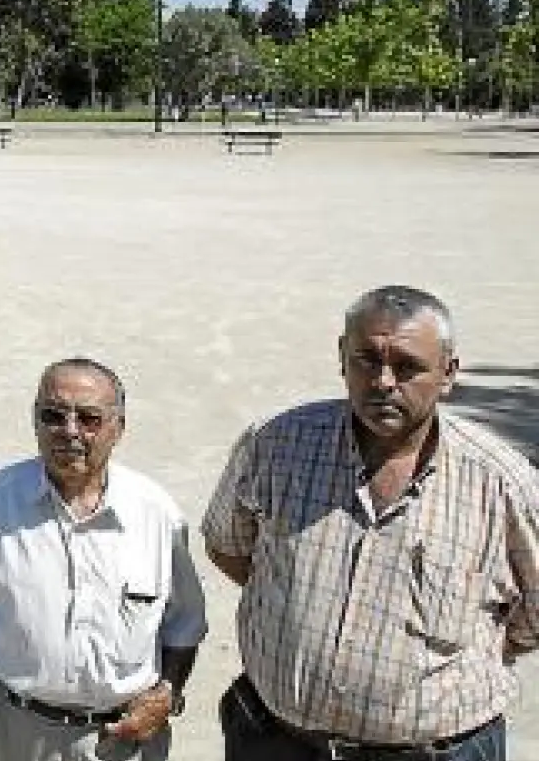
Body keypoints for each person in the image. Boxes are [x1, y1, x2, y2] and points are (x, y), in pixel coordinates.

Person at [202, 285, 539, 760]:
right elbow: (229, 547)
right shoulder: (277, 446)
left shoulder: (500, 482)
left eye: (407, 367)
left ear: (448, 373)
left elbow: (533, 611)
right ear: (342, 357)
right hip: (278, 742)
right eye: (366, 360)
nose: (382, 382)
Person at [0, 358, 206, 761]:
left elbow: (185, 626)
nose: (69, 431)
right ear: (34, 421)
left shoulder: (157, 515)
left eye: (89, 419)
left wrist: (168, 694)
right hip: (9, 730)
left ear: (118, 428)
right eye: (53, 416)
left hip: (122, 738)